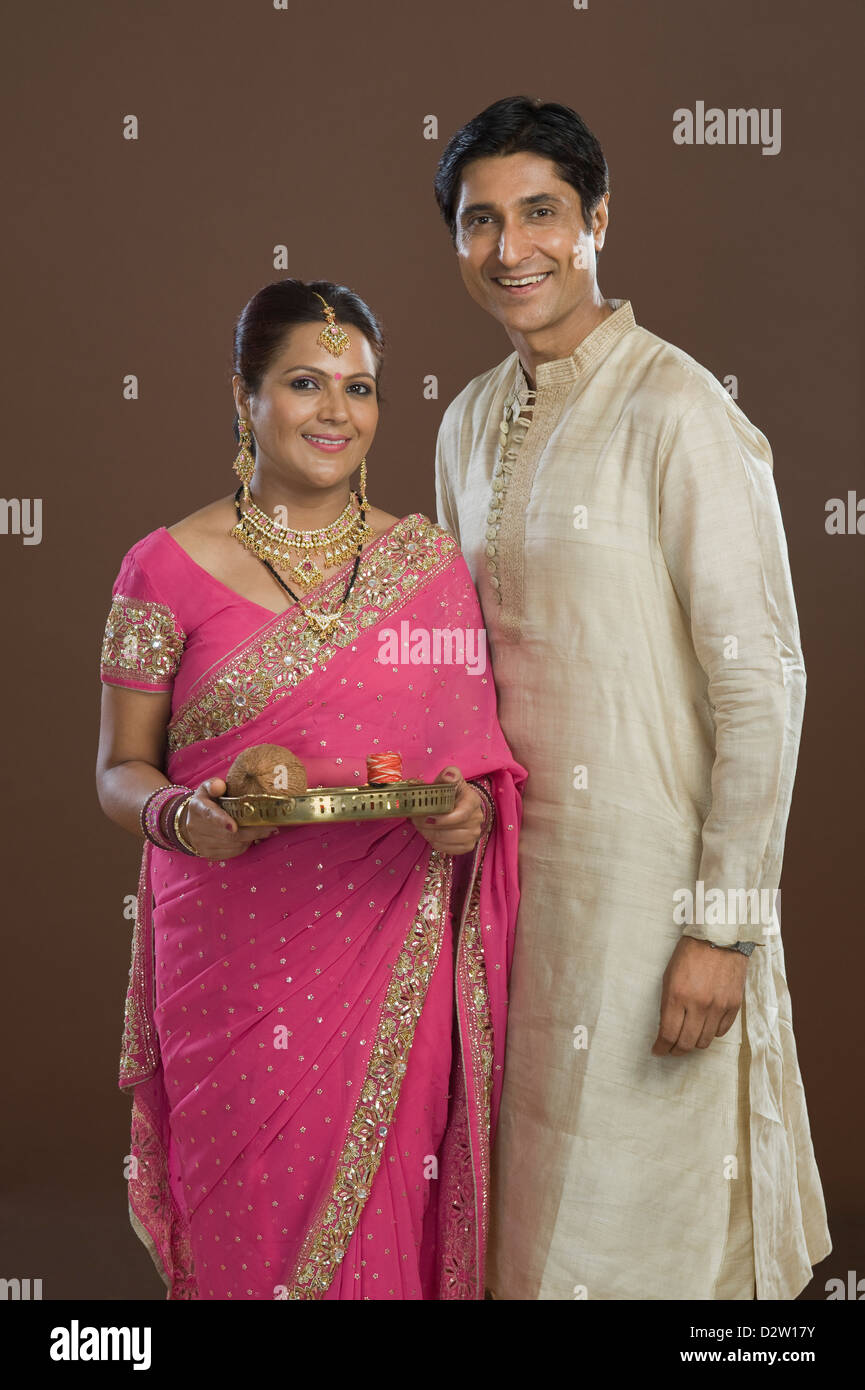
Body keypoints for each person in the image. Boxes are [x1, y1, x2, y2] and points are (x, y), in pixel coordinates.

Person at [433, 95, 831, 1300]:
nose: (512, 249)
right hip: (508, 896)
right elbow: (454, 667)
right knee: (529, 1215)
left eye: (542, 212)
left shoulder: (679, 410)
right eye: (480, 221)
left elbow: (763, 686)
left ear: (598, 218)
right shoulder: (463, 423)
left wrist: (720, 926)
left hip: (653, 900)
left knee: (647, 1215)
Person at [95, 278, 524, 1300]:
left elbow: (474, 763)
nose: (337, 411)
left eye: (360, 387)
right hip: (230, 954)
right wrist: (180, 817)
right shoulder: (162, 567)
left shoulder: (428, 568)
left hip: (390, 947)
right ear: (244, 397)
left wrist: (468, 811)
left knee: (384, 1195)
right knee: (250, 1214)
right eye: (303, 382)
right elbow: (119, 770)